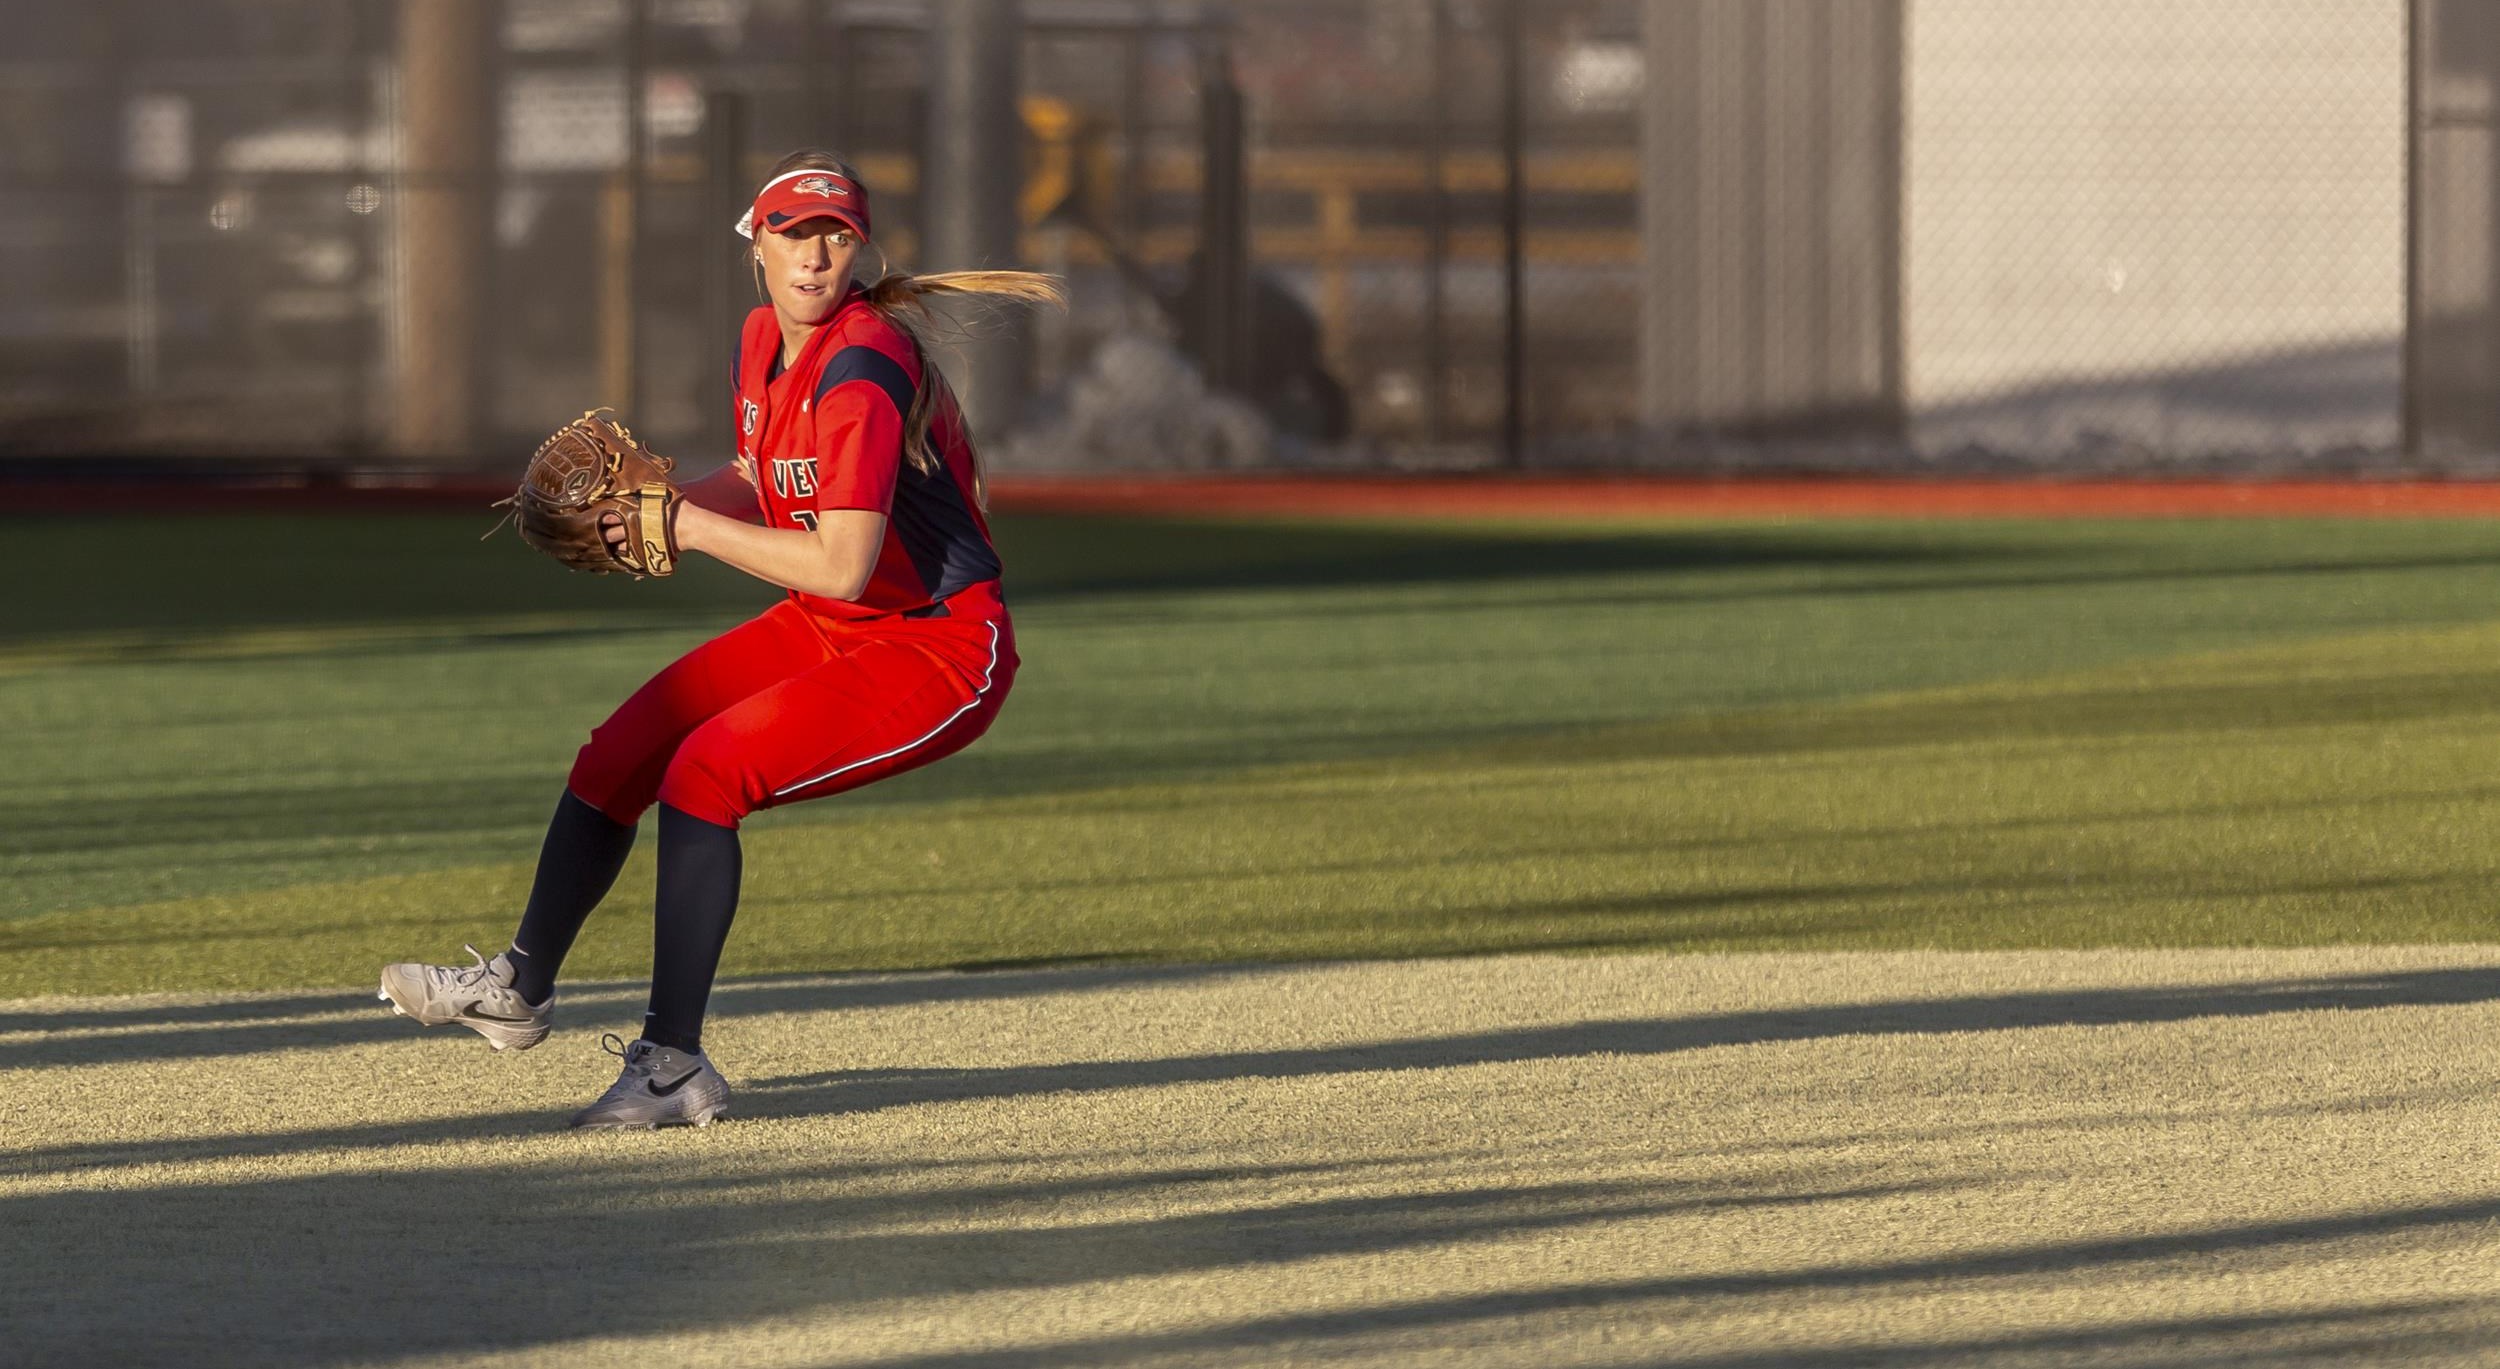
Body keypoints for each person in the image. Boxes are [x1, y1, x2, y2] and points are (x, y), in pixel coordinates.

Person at [378, 150, 1062, 1129]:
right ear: (757, 247)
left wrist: (688, 531)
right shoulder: (762, 343)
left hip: (938, 647)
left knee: (705, 774)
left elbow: (841, 562)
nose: (816, 254)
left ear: (856, 244)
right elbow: (762, 473)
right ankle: (520, 986)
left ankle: (671, 1063)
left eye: (834, 234)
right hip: (838, 627)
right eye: (793, 233)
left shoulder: (863, 370)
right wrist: (659, 508)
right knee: (622, 747)